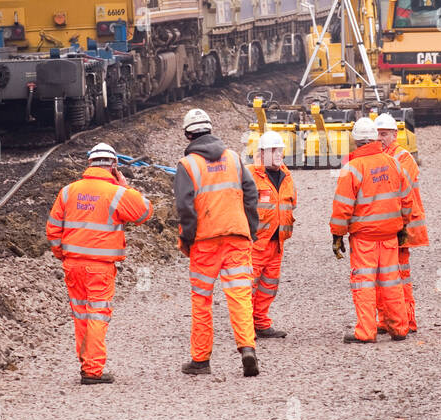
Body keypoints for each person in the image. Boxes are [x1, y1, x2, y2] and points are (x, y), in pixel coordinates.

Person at [46, 142, 153, 384]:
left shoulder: (68, 191)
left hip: (72, 265)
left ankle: (86, 364)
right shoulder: (117, 193)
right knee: (97, 314)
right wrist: (125, 185)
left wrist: (61, 254)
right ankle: (93, 371)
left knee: (81, 314)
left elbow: (52, 230)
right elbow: (145, 213)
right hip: (100, 267)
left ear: (89, 164)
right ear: (114, 166)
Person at [174, 108, 261, 377]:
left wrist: (187, 239)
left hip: (204, 242)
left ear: (188, 135)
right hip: (237, 236)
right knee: (240, 296)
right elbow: (251, 195)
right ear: (211, 129)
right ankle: (247, 348)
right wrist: (250, 229)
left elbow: (185, 208)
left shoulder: (187, 165)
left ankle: (201, 361)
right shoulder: (234, 159)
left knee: (202, 300)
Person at [331, 116, 413, 343]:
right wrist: (403, 225)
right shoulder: (393, 162)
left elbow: (342, 207)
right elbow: (407, 198)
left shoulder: (352, 168)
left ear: (356, 141)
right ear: (375, 138)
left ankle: (366, 333)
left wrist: (337, 235)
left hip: (364, 238)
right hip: (390, 235)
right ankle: (399, 328)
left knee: (365, 284)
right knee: (391, 281)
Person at [375, 113, 427, 334]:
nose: (380, 139)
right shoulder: (381, 156)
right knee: (383, 276)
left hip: (402, 227)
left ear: (395, 134)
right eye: (377, 134)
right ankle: (387, 320)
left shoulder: (403, 157)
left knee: (399, 275)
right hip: (389, 225)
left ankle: (406, 320)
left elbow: (393, 187)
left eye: (384, 134)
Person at [250, 130, 296, 338]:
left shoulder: (286, 176)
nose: (278, 155)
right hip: (255, 243)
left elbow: (291, 202)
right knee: (248, 287)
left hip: (277, 243)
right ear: (262, 152)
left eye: (280, 150)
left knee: (269, 286)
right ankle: (244, 326)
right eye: (273, 150)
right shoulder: (250, 175)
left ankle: (261, 323)